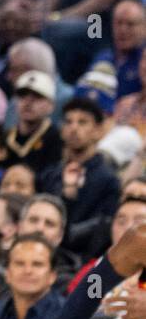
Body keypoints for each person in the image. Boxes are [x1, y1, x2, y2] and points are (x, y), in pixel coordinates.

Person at [40, 97, 121, 228]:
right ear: (62, 130)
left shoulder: (109, 181)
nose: (74, 128)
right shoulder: (49, 175)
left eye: (82, 122)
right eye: (68, 122)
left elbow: (101, 229)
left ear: (98, 131)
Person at [3, 69, 63, 174]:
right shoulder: (5, 137)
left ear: (51, 106)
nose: (28, 102)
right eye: (22, 96)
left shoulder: (58, 140)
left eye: (37, 97)